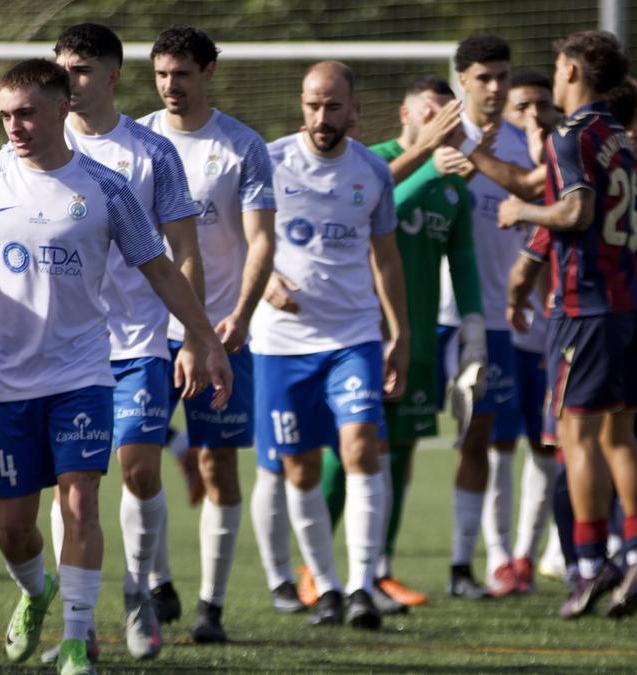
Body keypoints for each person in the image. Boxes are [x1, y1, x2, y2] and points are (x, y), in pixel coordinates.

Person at [0, 58, 231, 674]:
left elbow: (160, 268)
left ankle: (78, 639)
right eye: (5, 116)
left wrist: (205, 339)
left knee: (80, 503)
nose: (15, 126)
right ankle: (35, 593)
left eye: (25, 112)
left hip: (83, 375)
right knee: (15, 531)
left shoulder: (106, 187)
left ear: (59, 108)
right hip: (5, 383)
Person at [49, 22, 207, 661]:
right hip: (62, 348)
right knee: (72, 486)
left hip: (142, 340)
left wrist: (192, 336)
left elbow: (186, 252)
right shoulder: (35, 141)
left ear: (113, 77)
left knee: (139, 467)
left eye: (82, 69)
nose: (69, 81)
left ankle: (141, 590)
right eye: (62, 68)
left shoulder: (152, 152)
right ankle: (71, 614)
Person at [502, 30, 637, 619]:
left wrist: (521, 211)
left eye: (556, 64)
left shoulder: (571, 135)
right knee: (619, 437)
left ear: (570, 70)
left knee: (577, 437)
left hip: (586, 306)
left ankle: (591, 564)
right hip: (632, 303)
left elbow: (575, 210)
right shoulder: (619, 137)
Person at [314, 74, 483, 611]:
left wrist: (474, 323)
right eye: (430, 111)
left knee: (404, 449)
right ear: (406, 116)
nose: (441, 120)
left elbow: (462, 254)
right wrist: (430, 160)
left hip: (417, 336)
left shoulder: (454, 179)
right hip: (361, 331)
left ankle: (379, 570)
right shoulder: (368, 159)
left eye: (448, 112)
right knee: (350, 450)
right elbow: (366, 209)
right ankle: (314, 569)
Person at [255, 60, 409, 630]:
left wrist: (401, 333)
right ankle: (326, 587)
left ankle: (365, 585)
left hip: (353, 337)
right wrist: (266, 281)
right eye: (314, 105)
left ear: (354, 110)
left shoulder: (373, 171)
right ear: (302, 104)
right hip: (281, 343)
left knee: (361, 449)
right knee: (297, 470)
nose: (323, 117)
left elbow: (386, 259)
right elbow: (237, 240)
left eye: (334, 106)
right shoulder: (268, 162)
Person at [139, 24, 277, 643]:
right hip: (146, 334)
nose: (171, 85)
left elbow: (262, 239)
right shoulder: (136, 139)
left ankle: (210, 608)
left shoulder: (242, 145)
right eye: (162, 73)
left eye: (183, 74)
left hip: (219, 333)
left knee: (218, 464)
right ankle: (160, 581)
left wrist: (241, 317)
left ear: (208, 73)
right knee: (137, 461)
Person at [434, 34, 529, 599]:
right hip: (429, 311)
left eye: (502, 76)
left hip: (491, 319)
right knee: (380, 438)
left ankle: (461, 566)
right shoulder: (438, 137)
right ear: (461, 79)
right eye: (484, 77)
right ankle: (361, 571)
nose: (495, 88)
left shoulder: (521, 146)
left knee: (480, 438)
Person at [498, 71, 562, 593]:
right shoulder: (485, 162)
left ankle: (543, 551)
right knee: (495, 443)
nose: (533, 116)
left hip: (558, 331)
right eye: (522, 107)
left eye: (543, 106)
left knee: (549, 448)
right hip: (500, 329)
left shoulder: (569, 162)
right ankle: (506, 558)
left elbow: (530, 189)